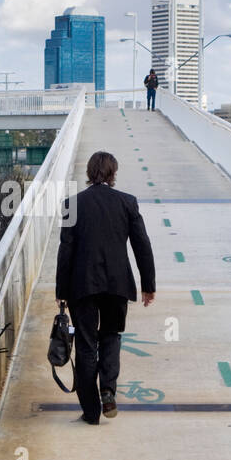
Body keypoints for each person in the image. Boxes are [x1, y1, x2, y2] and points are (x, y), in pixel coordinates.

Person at [55, 151, 156, 424]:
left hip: (81, 286)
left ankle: (91, 412)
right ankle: (108, 389)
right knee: (111, 335)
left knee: (87, 345)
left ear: (89, 173)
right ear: (113, 174)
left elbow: (65, 252)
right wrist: (148, 285)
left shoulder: (72, 205)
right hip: (117, 284)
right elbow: (141, 245)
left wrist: (61, 291)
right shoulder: (127, 202)